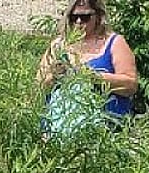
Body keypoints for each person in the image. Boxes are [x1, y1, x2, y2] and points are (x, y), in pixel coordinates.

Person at [37, 0, 138, 129]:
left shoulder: (114, 43)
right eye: (74, 17)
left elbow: (130, 84)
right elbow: (39, 86)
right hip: (58, 128)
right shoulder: (58, 45)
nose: (79, 22)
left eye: (85, 17)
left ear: (98, 16)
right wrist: (54, 75)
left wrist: (91, 76)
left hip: (104, 131)